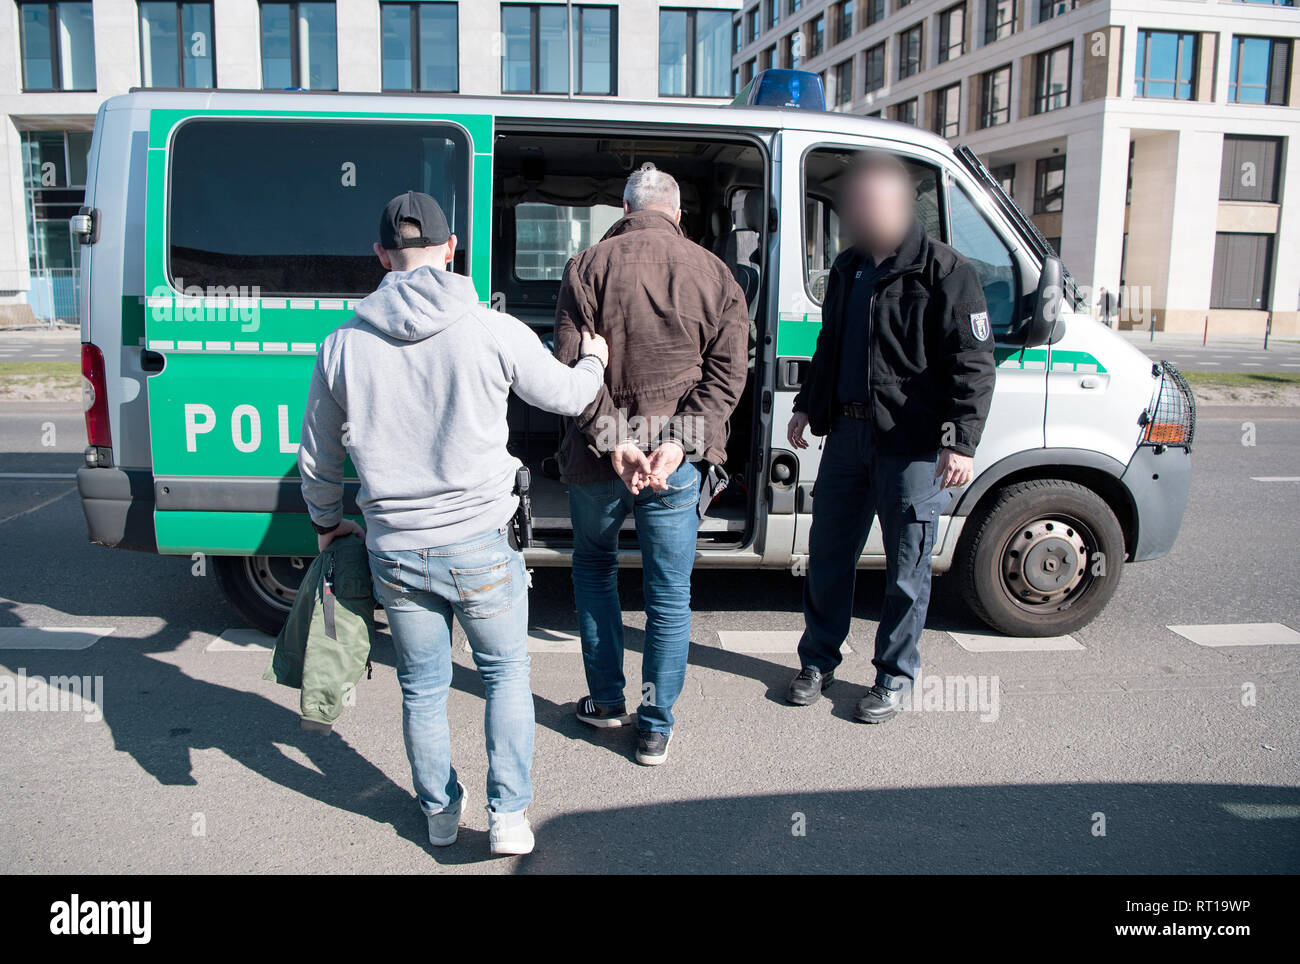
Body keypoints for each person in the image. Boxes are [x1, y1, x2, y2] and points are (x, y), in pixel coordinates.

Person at [298, 191, 609, 854]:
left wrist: (327, 523)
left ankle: (439, 814)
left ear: (381, 255)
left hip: (395, 551)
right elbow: (568, 396)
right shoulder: (491, 328)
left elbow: (319, 456)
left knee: (423, 687)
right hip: (480, 545)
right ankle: (508, 818)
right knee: (504, 675)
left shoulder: (341, 344)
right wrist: (595, 360)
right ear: (450, 249)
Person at [785, 152, 996, 723]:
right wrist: (807, 405)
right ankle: (818, 661)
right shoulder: (848, 268)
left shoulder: (947, 272)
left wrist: (960, 441)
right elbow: (830, 344)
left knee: (907, 566)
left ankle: (894, 676)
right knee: (828, 556)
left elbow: (972, 365)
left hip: (912, 445)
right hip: (847, 436)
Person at [554, 163, 748, 766]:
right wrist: (679, 443)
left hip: (601, 461)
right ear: (678, 214)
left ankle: (608, 701)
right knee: (668, 595)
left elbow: (570, 370)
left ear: (625, 208)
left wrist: (616, 442)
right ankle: (655, 725)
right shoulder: (716, 274)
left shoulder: (584, 268)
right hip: (672, 464)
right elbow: (726, 377)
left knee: (594, 568)